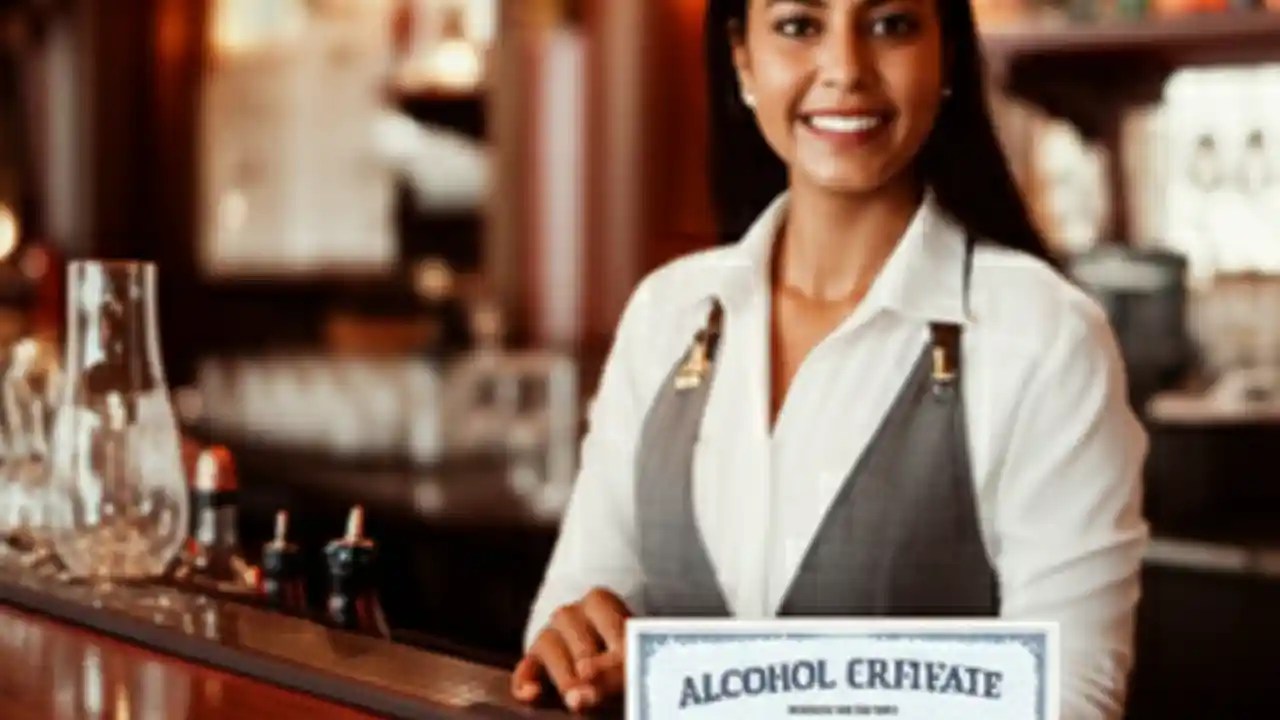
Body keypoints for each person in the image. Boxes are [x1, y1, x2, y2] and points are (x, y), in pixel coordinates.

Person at [511, 1, 1149, 717]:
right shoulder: (668, 315)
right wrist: (568, 645)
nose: (846, 69)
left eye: (891, 25)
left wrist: (702, 677)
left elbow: (1067, 696)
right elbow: (569, 623)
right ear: (742, 59)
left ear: (946, 60)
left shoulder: (1042, 336)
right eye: (798, 25)